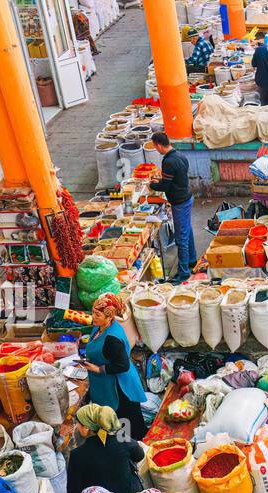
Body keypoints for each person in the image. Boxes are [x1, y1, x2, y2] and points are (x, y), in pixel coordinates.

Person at [83, 293, 148, 442]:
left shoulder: (112, 339)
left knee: (126, 423)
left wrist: (98, 369)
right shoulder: (100, 327)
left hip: (119, 387)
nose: (93, 317)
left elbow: (122, 365)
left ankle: (131, 449)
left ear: (109, 317)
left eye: (97, 314)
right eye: (93, 312)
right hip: (106, 382)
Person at [65, 404, 144, 493]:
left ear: (86, 427)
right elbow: (140, 455)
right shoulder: (121, 439)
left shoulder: (77, 455)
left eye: (78, 423)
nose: (76, 426)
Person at [149, 132, 194, 283]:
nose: (157, 150)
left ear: (159, 145)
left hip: (180, 202)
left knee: (181, 238)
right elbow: (174, 178)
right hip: (187, 197)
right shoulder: (180, 155)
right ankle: (192, 260)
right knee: (187, 231)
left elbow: (165, 186)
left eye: (156, 147)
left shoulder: (168, 161)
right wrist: (160, 179)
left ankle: (184, 273)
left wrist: (152, 184)